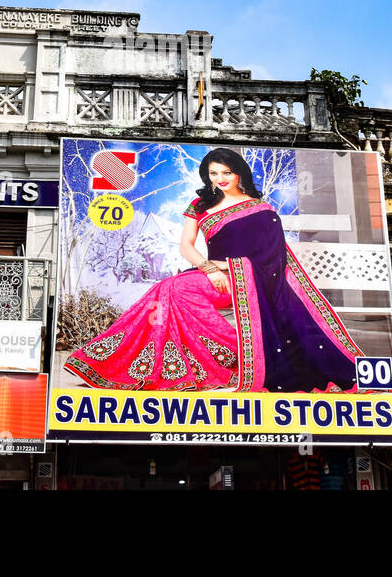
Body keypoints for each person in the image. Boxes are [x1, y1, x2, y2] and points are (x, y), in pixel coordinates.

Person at [63, 147, 365, 393]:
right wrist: (211, 269)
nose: (220, 178)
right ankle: (147, 360)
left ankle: (236, 354)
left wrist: (230, 267)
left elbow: (272, 257)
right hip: (213, 275)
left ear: (238, 173)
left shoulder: (260, 208)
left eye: (226, 172)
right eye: (213, 173)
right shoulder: (200, 205)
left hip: (251, 280)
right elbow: (186, 247)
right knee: (167, 289)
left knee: (173, 289)